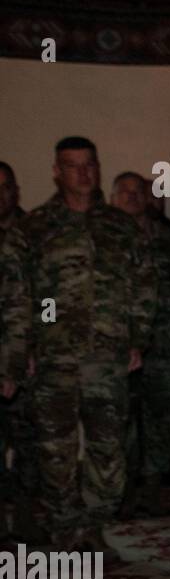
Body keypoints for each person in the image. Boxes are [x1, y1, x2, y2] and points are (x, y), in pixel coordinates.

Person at [0, 138, 156, 554]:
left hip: (108, 358)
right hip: (55, 361)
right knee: (56, 450)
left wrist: (137, 338)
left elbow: (144, 288)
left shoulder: (121, 227)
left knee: (108, 448)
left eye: (90, 165)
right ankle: (66, 531)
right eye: (72, 166)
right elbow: (19, 299)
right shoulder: (33, 229)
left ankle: (94, 529)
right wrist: (19, 356)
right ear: (56, 171)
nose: (83, 174)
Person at [110, 171, 170, 517]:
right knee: (118, 421)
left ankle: (153, 488)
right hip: (115, 347)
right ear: (111, 197)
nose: (131, 196)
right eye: (123, 191)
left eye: (138, 191)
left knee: (160, 418)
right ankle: (121, 491)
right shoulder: (99, 238)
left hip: (163, 346)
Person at [0, 161, 39, 543]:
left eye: (7, 186)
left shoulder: (34, 233)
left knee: (29, 443)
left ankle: (27, 518)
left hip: (27, 360)